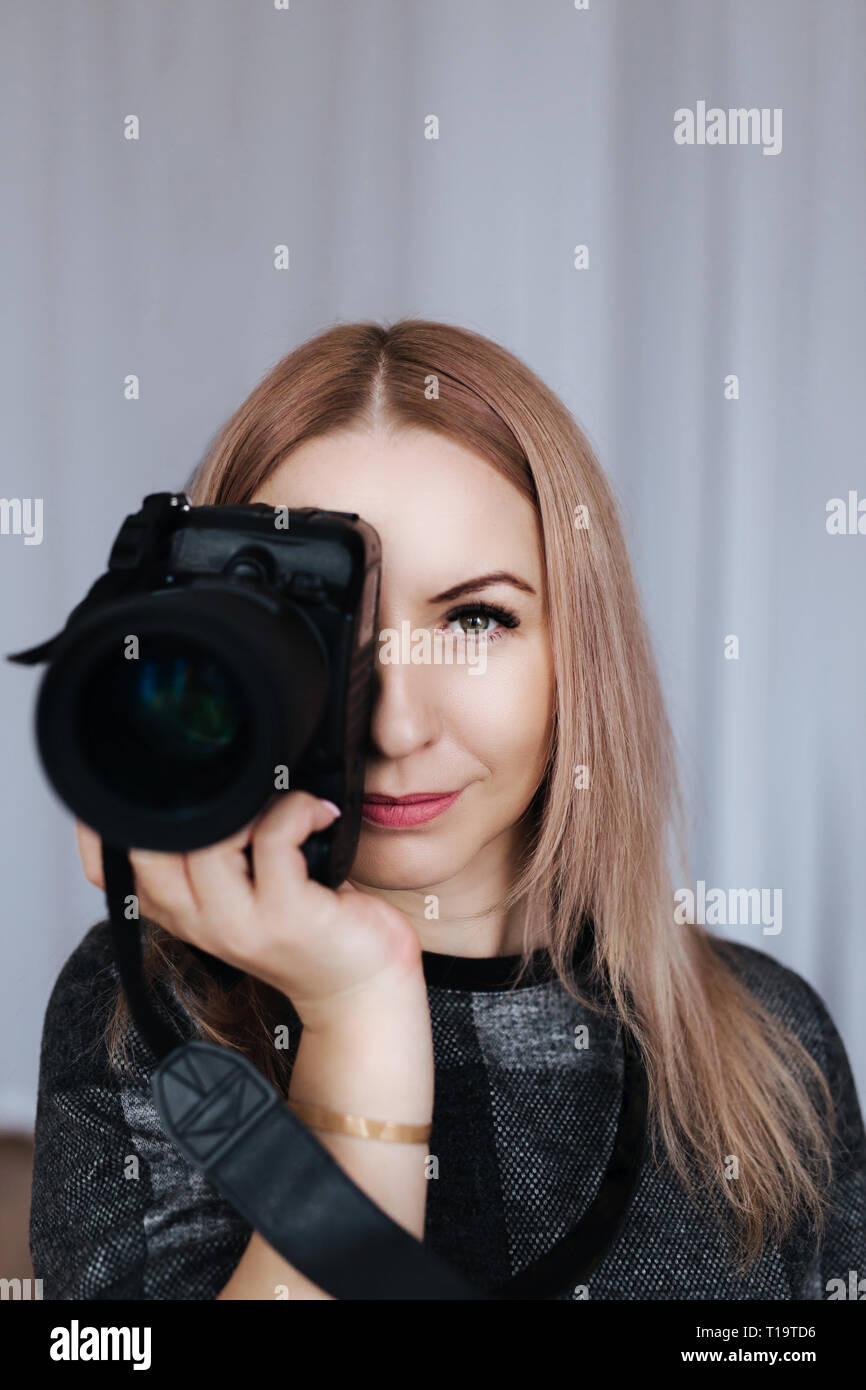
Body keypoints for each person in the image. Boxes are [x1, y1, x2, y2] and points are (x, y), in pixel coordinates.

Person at [29, 319, 866, 1299]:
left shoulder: (766, 1037)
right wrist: (353, 1020)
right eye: (321, 635)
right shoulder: (140, 1014)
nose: (391, 723)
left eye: (474, 618)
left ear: (577, 655)